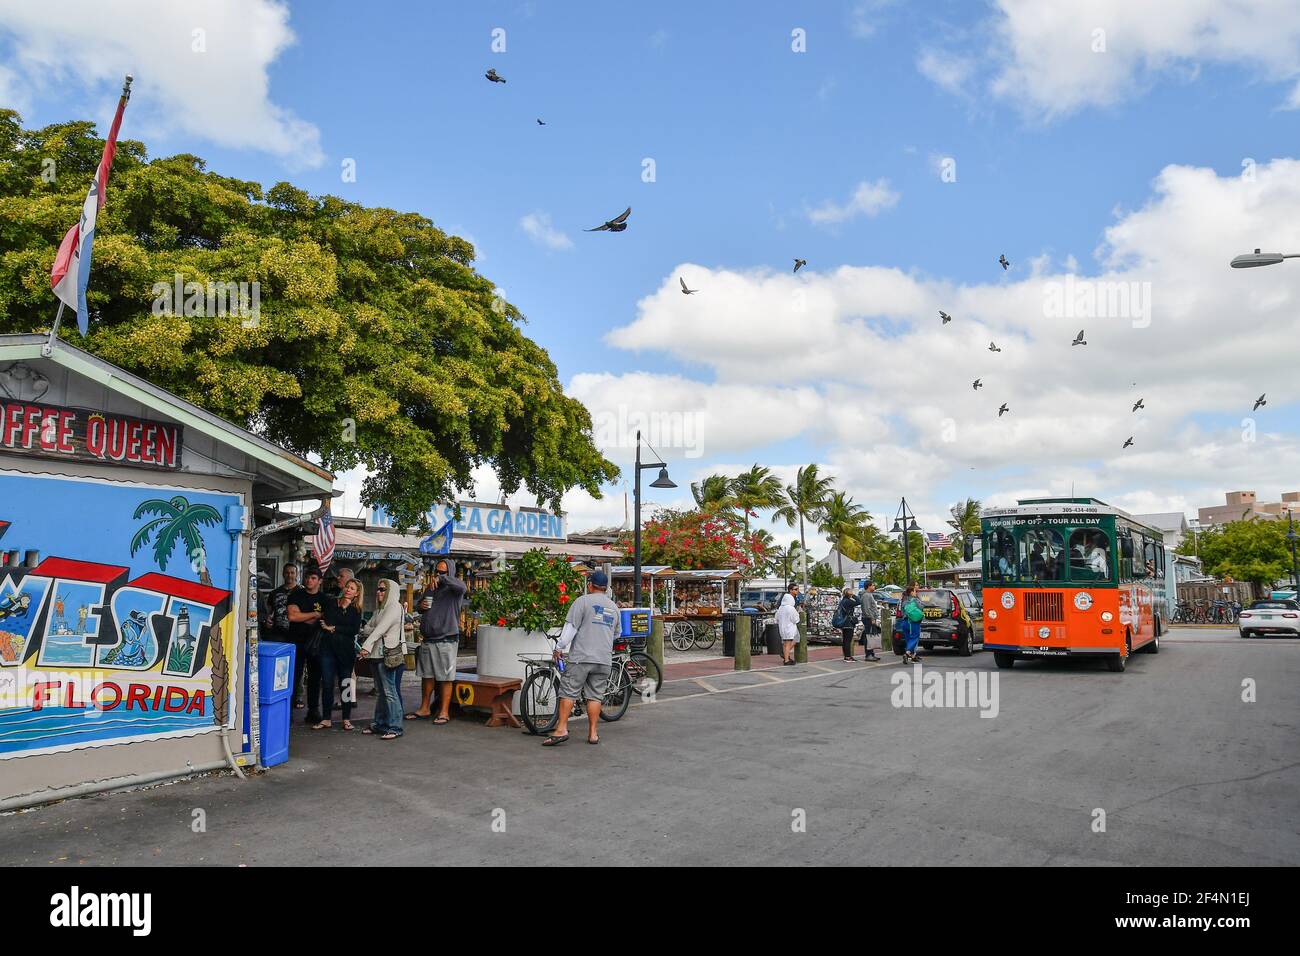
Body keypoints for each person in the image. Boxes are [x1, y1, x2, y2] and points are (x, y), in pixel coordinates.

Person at [544, 570, 619, 746]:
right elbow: (617, 634)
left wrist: (559, 648)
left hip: (582, 657)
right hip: (603, 659)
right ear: (606, 588)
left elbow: (571, 629)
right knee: (595, 696)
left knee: (569, 691)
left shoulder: (582, 602)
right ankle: (593, 733)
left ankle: (561, 729)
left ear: (590, 585)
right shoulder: (614, 607)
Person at [407, 558, 467, 725]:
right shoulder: (431, 587)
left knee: (445, 677)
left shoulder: (455, 588)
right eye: (437, 572)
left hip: (446, 639)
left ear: (450, 573)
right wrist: (421, 606)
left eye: (443, 572)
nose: (438, 575)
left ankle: (444, 712)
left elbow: (463, 587)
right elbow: (421, 605)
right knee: (427, 676)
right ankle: (424, 708)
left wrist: (443, 579)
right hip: (428, 638)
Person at [358, 578, 405, 740]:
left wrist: (367, 644)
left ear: (391, 591)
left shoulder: (394, 607)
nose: (379, 592)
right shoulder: (380, 609)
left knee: (389, 692)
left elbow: (379, 629)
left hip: (388, 654)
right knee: (381, 692)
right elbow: (366, 628)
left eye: (383, 589)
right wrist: (373, 631)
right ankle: (380, 723)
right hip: (377, 654)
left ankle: (395, 726)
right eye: (378, 589)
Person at [315, 579, 364, 730]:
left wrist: (334, 628)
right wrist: (333, 627)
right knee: (328, 684)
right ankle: (326, 718)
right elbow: (325, 621)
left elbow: (353, 630)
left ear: (357, 593)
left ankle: (346, 718)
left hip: (346, 652)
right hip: (327, 649)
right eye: (347, 587)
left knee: (346, 684)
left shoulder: (356, 610)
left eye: (352, 588)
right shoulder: (332, 603)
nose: (348, 590)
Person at [286, 568, 326, 722]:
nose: (310, 580)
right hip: (296, 640)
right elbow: (292, 616)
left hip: (315, 643)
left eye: (314, 578)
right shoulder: (296, 595)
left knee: (315, 678)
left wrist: (304, 616)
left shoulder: (324, 599)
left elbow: (324, 620)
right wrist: (315, 614)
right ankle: (287, 711)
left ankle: (313, 710)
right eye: (308, 577)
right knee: (293, 677)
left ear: (320, 581)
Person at [262, 563, 297, 644]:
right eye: (287, 572)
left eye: (292, 573)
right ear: (283, 574)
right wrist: (267, 620)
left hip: (296, 633)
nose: (289, 575)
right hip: (277, 634)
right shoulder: (274, 593)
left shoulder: (302, 592)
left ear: (296, 575)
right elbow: (268, 612)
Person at [899, 582, 924, 664]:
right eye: (914, 591)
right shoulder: (915, 600)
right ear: (911, 592)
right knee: (914, 638)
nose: (916, 592)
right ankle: (907, 653)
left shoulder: (904, 601)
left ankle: (912, 656)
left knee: (908, 639)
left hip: (904, 622)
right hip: (913, 622)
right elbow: (922, 607)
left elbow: (902, 611)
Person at [858, 580, 882, 662]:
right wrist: (871, 618)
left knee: (871, 636)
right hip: (868, 618)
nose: (874, 587)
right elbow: (866, 608)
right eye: (873, 585)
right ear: (869, 586)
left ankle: (871, 653)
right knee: (869, 637)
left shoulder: (869, 595)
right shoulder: (866, 596)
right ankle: (868, 654)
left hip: (870, 618)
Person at [776, 592, 800, 665]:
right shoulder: (791, 608)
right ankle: (786, 660)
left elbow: (776, 618)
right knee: (788, 644)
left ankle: (786, 657)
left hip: (782, 628)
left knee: (785, 644)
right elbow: (796, 619)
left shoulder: (780, 608)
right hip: (790, 628)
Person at [837, 587, 859, 662]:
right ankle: (848, 656)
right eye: (851, 592)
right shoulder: (848, 601)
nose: (852, 592)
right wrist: (853, 595)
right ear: (848, 593)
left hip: (844, 622)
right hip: (848, 623)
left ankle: (846, 656)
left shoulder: (843, 600)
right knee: (847, 640)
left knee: (845, 640)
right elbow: (858, 601)